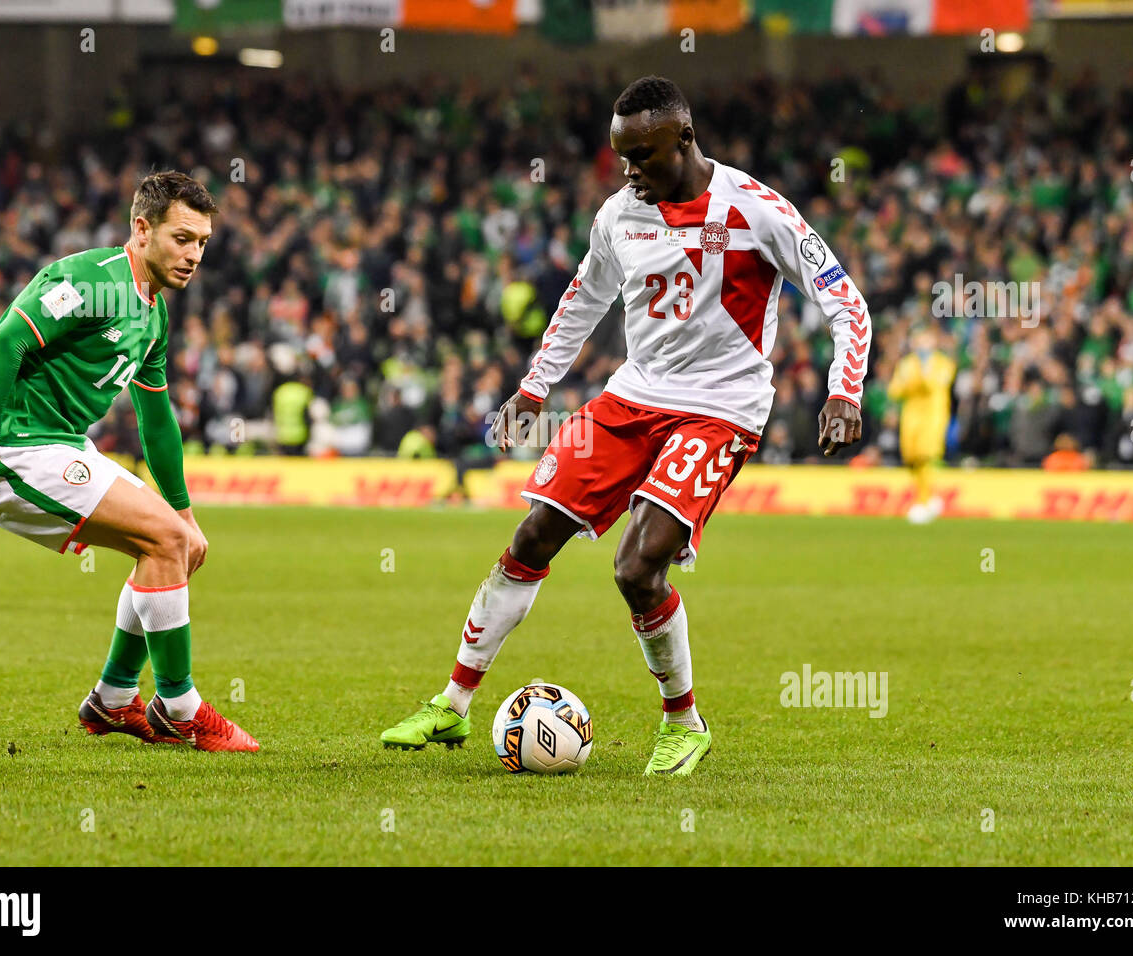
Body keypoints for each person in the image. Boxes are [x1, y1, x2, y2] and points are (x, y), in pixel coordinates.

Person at [381, 76, 871, 775]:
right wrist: (533, 388)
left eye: (643, 155)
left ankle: (684, 722)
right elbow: (583, 298)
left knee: (637, 567)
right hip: (631, 398)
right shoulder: (619, 214)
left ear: (686, 139)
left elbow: (844, 300)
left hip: (720, 407)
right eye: (621, 157)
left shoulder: (756, 211)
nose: (631, 171)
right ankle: (452, 705)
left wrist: (843, 391)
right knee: (532, 532)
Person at [0, 170, 258, 752]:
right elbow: (2, 344)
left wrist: (184, 510)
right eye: (182, 238)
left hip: (60, 444)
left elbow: (156, 419)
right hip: (15, 448)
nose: (194, 255)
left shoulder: (155, 312)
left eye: (202, 243)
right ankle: (179, 706)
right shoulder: (89, 280)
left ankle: (113, 700)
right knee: (165, 542)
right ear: (141, 230)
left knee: (180, 543)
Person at [886, 324, 956, 524]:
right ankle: (925, 497)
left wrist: (915, 381)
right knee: (912, 457)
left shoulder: (944, 363)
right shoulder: (906, 364)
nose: (922, 345)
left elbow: (935, 384)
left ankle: (927, 499)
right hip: (911, 416)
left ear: (934, 342)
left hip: (933, 415)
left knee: (927, 456)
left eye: (926, 340)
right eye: (919, 340)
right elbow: (894, 390)